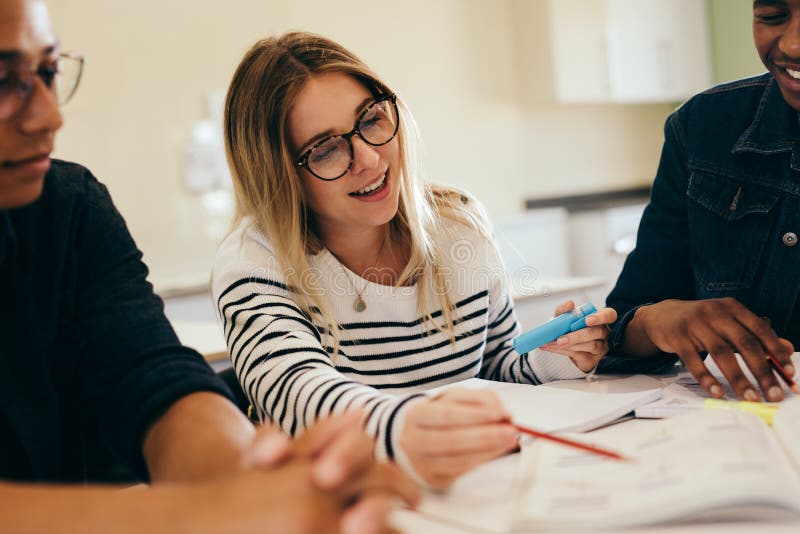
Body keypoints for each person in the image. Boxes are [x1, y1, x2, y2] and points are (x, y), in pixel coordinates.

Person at [0, 1, 417, 532]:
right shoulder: (255, 261)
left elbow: (154, 381)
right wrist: (204, 511)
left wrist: (251, 478)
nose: (49, 115)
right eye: (3, 81)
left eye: (49, 71)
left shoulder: (68, 209)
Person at [213, 31, 618, 489]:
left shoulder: (458, 225)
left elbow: (494, 370)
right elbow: (299, 396)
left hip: (469, 495)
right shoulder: (254, 261)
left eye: (370, 119)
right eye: (325, 149)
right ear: (279, 176)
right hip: (342, 505)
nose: (368, 157)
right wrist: (408, 427)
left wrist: (564, 358)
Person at [603, 0, 800, 404]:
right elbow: (625, 322)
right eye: (772, 16)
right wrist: (660, 319)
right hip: (731, 432)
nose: (793, 45)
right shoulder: (702, 126)